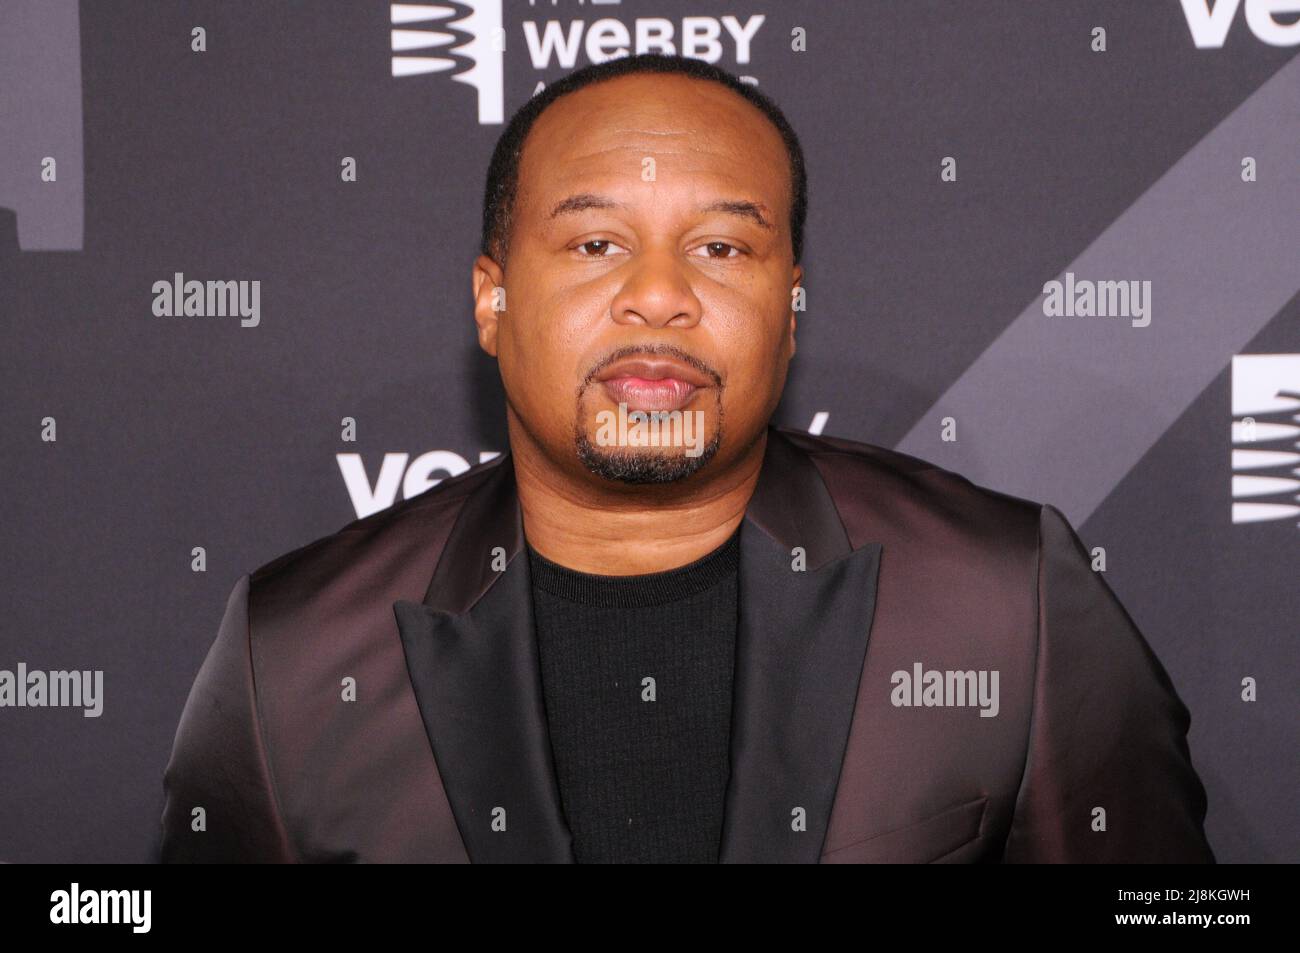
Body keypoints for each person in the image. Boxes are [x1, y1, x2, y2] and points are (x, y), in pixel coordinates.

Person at [160, 53, 1214, 863]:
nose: (658, 294)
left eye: (721, 247)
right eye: (594, 244)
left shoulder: (1005, 597)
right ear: (491, 297)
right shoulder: (292, 653)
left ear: (790, 305)